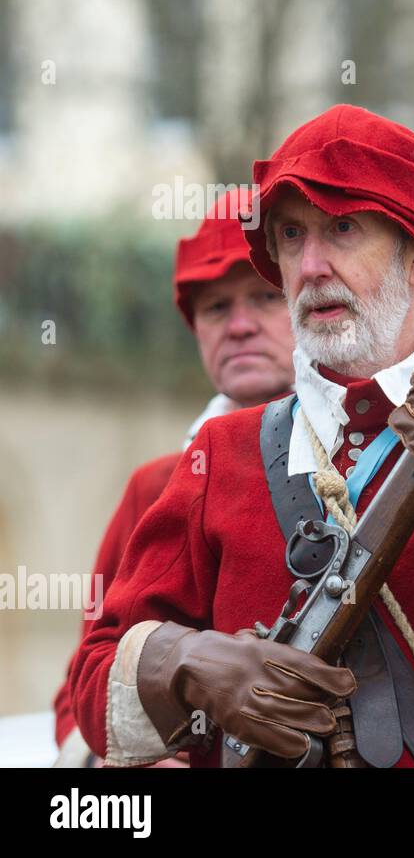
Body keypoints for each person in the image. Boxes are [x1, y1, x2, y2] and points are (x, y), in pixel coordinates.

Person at [68, 104, 414, 768]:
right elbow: (95, 688)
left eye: (343, 228)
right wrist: (191, 661)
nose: (310, 266)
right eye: (289, 235)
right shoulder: (221, 454)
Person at [52, 188, 295, 766]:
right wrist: (127, 760)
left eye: (263, 296)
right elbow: (86, 677)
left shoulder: (388, 456)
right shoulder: (156, 484)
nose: (238, 326)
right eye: (215, 308)